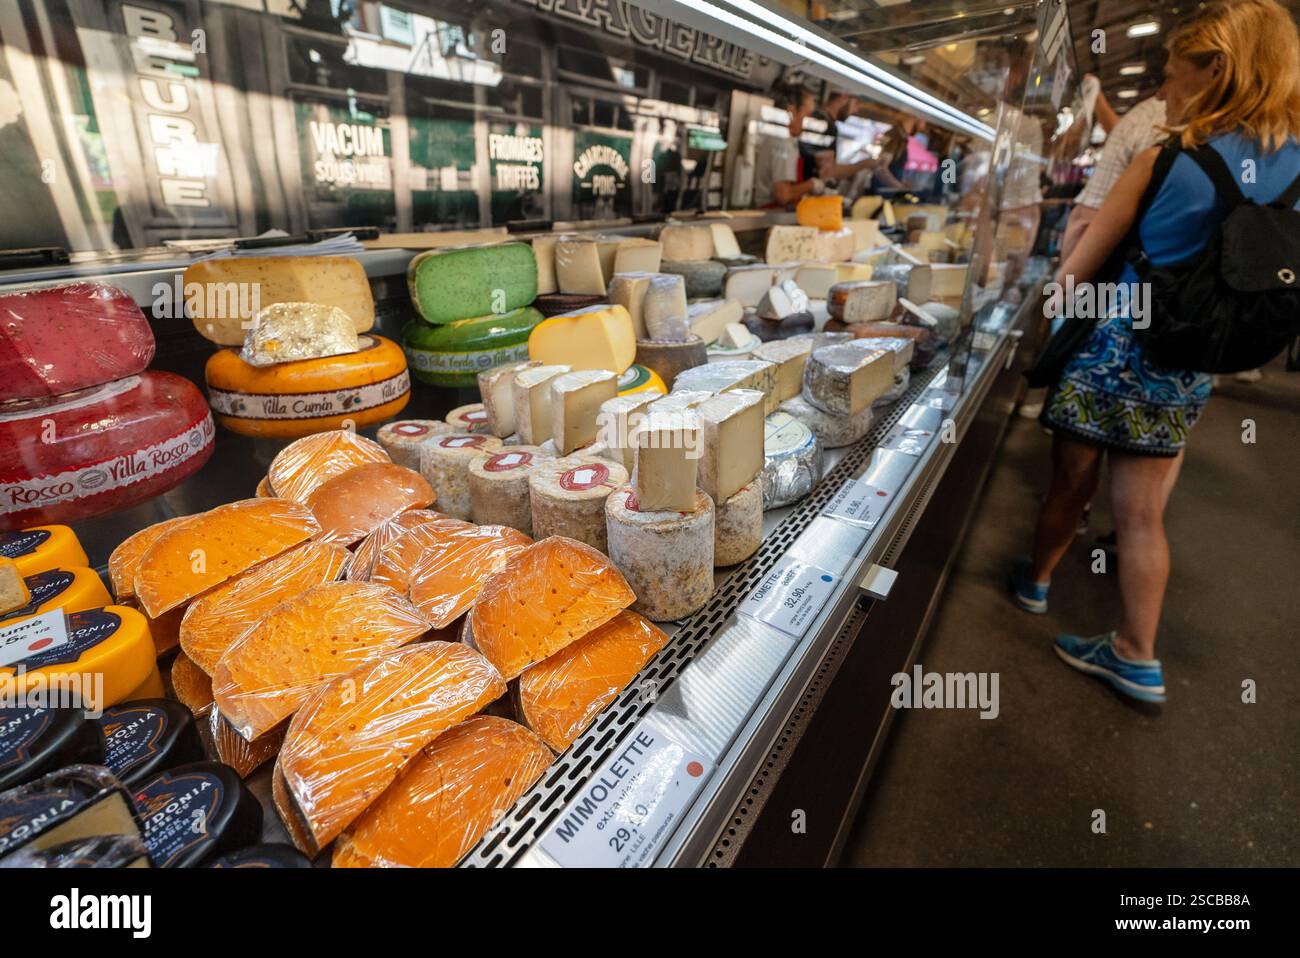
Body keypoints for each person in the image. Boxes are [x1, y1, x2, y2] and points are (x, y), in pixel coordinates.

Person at [1010, 0, 1300, 704]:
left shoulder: (1167, 156)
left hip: (1116, 344)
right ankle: (1138, 653)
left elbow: (1076, 275)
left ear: (1218, 69)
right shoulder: (1294, 167)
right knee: (1141, 512)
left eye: (1175, 75)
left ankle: (1036, 584)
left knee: (1071, 485)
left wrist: (1042, 313)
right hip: (1188, 359)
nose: (1167, 89)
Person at [752, 81, 825, 207]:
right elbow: (782, 195)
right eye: (807, 115)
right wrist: (812, 185)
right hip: (771, 214)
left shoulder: (788, 140)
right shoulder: (782, 142)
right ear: (792, 112)